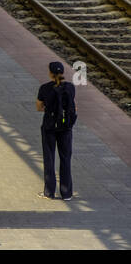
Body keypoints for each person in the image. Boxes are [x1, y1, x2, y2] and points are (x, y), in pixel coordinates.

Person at [37, 61, 77, 200]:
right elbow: (73, 106)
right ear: (62, 73)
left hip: (49, 126)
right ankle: (66, 193)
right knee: (65, 158)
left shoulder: (44, 88)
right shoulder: (70, 87)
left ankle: (49, 192)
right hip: (65, 127)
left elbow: (39, 107)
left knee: (49, 158)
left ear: (50, 73)